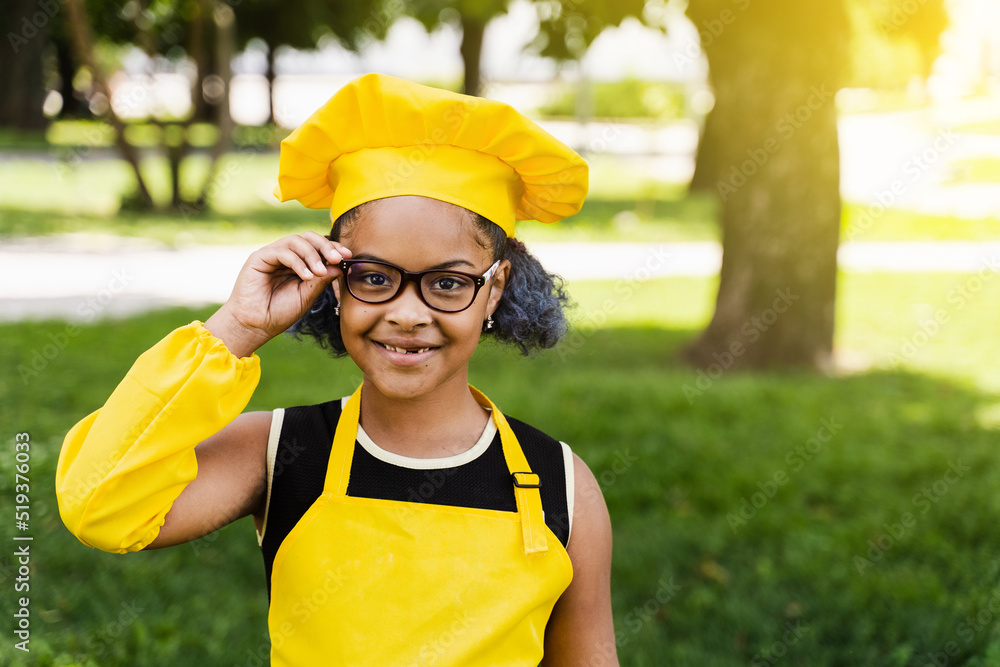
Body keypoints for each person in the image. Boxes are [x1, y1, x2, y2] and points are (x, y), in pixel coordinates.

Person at [56, 72, 617, 665]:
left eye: (447, 283)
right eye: (374, 277)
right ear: (333, 279)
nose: (407, 314)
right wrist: (237, 329)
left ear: (495, 289)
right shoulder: (280, 453)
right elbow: (99, 503)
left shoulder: (558, 482)